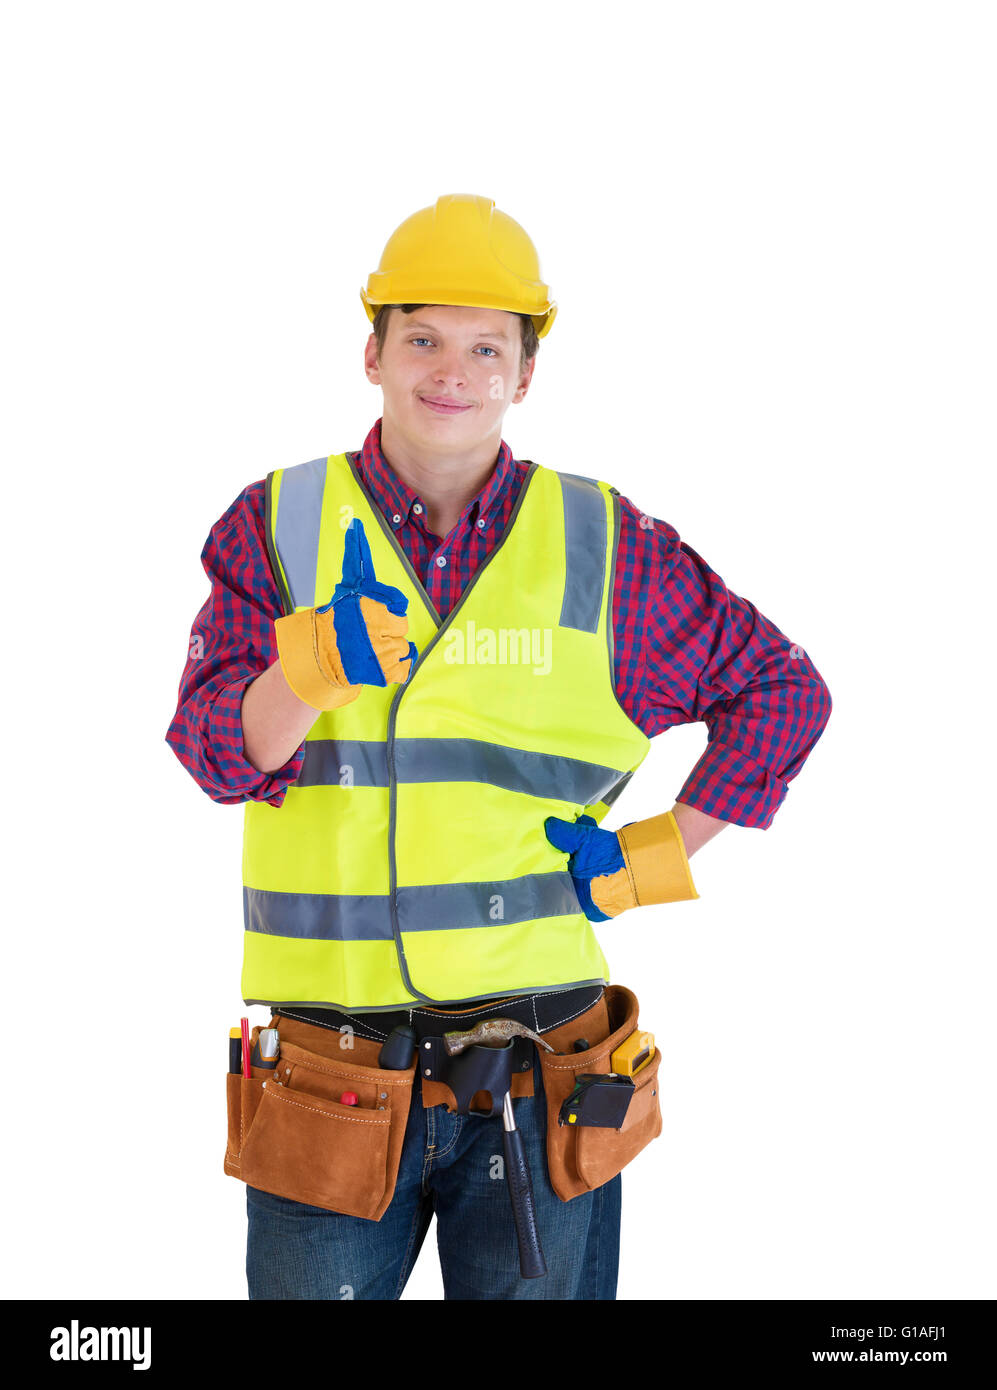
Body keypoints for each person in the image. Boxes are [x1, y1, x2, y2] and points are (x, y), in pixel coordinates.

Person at [166, 193, 832, 1300]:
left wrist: (653, 855)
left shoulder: (607, 547)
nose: (451, 371)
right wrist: (310, 668)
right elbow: (212, 754)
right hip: (330, 1074)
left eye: (487, 347)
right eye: (422, 338)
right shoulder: (275, 524)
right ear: (371, 352)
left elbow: (779, 689)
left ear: (524, 374)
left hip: (539, 1073)